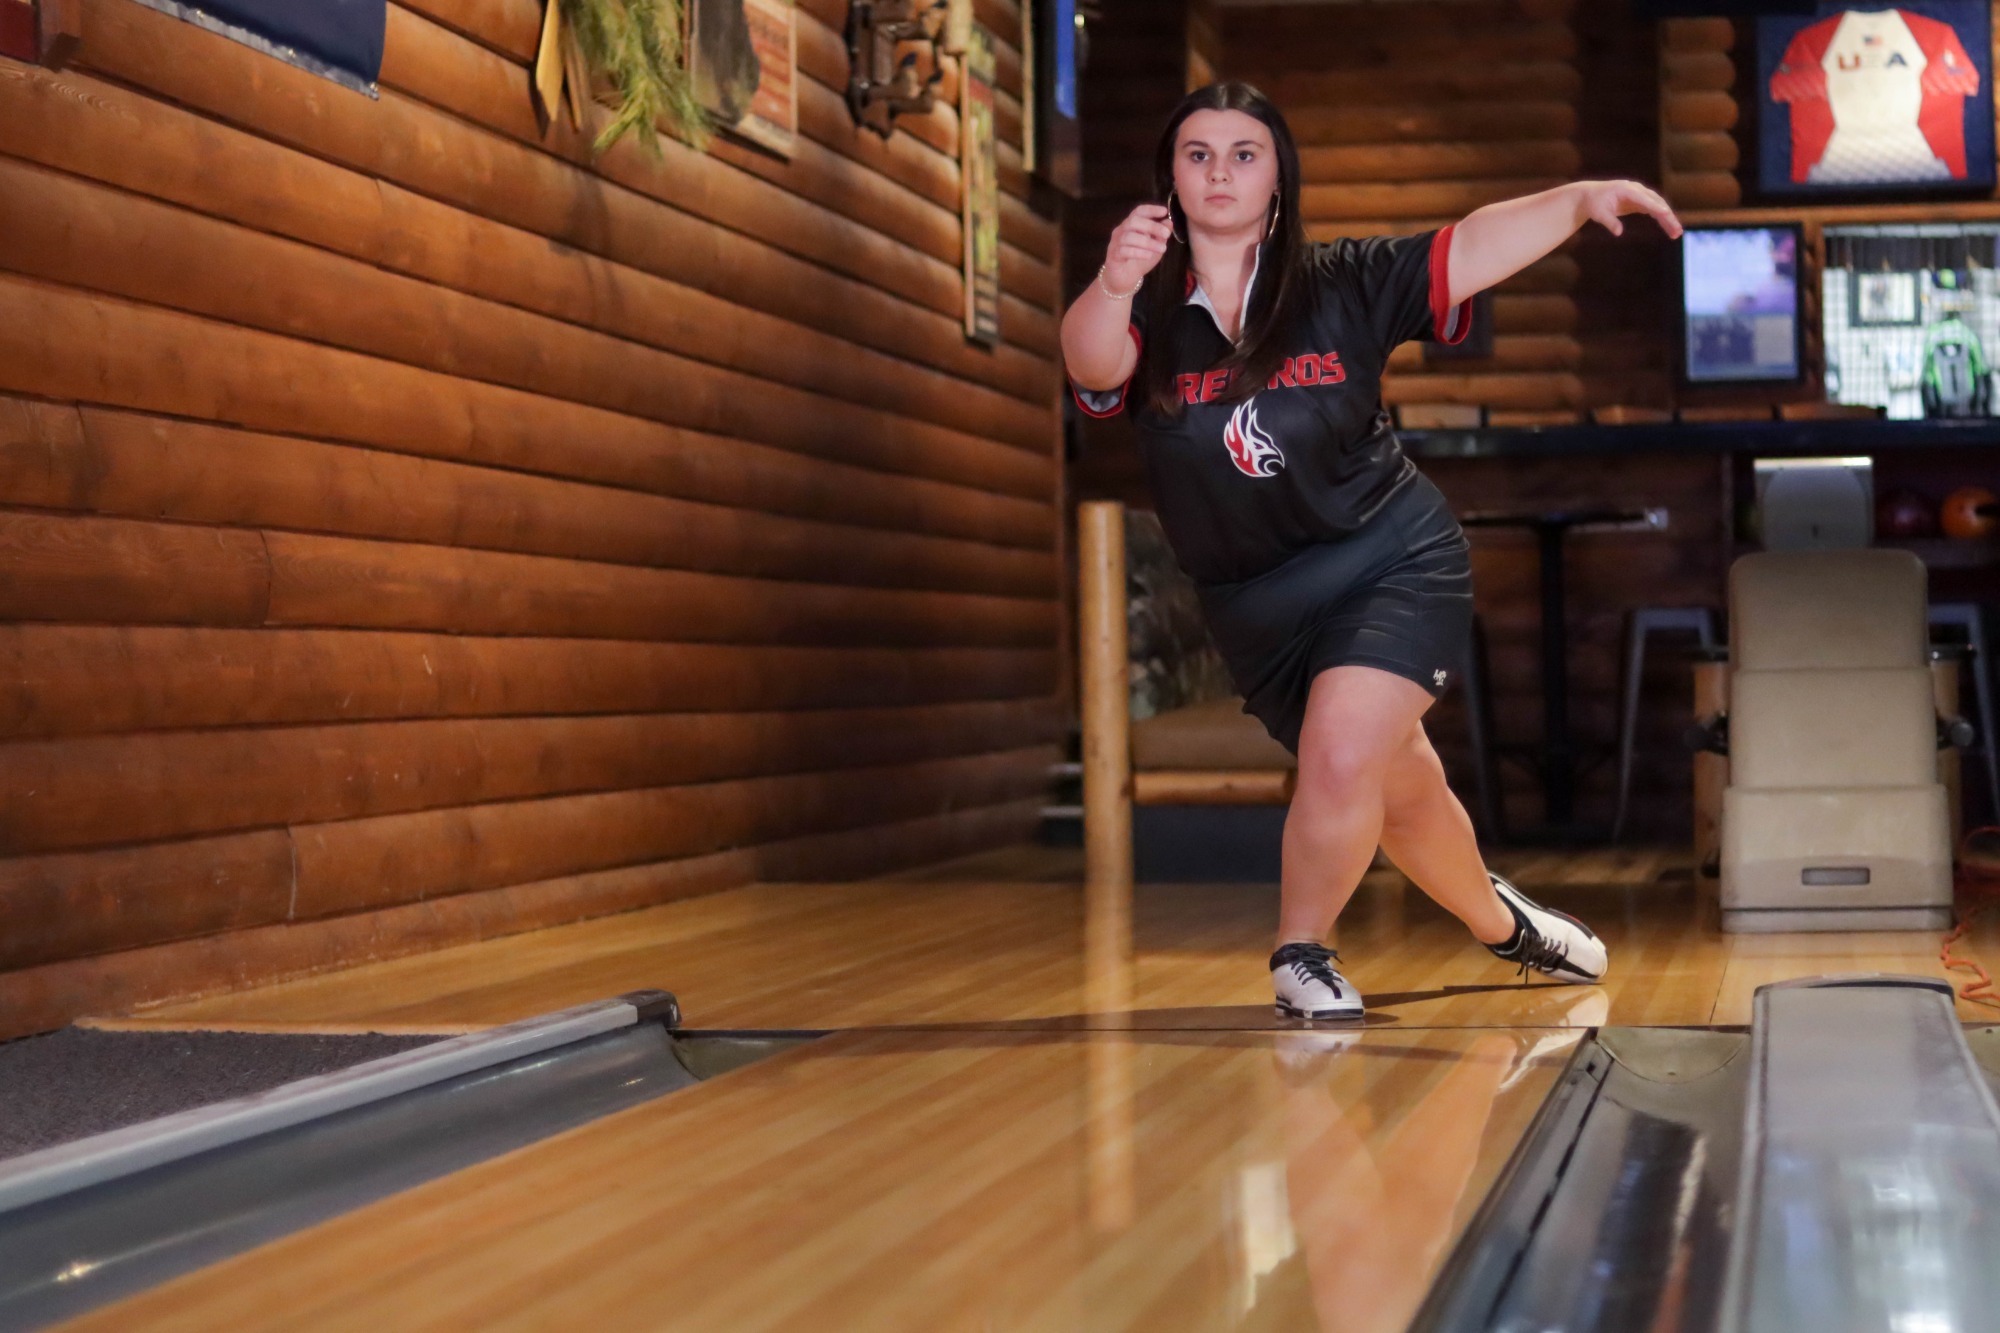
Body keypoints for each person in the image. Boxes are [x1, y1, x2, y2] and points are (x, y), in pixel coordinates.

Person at [1061, 82, 1683, 1020]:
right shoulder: (1144, 305)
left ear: (1279, 177)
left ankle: (1299, 952)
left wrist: (1577, 197)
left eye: (1244, 153)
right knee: (1407, 794)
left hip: (1389, 556)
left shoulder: (1340, 281)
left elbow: (1468, 245)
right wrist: (1112, 281)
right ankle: (1505, 923)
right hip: (1257, 608)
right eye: (1198, 154)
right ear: (1170, 178)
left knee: (1343, 750)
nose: (1220, 171)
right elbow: (1091, 366)